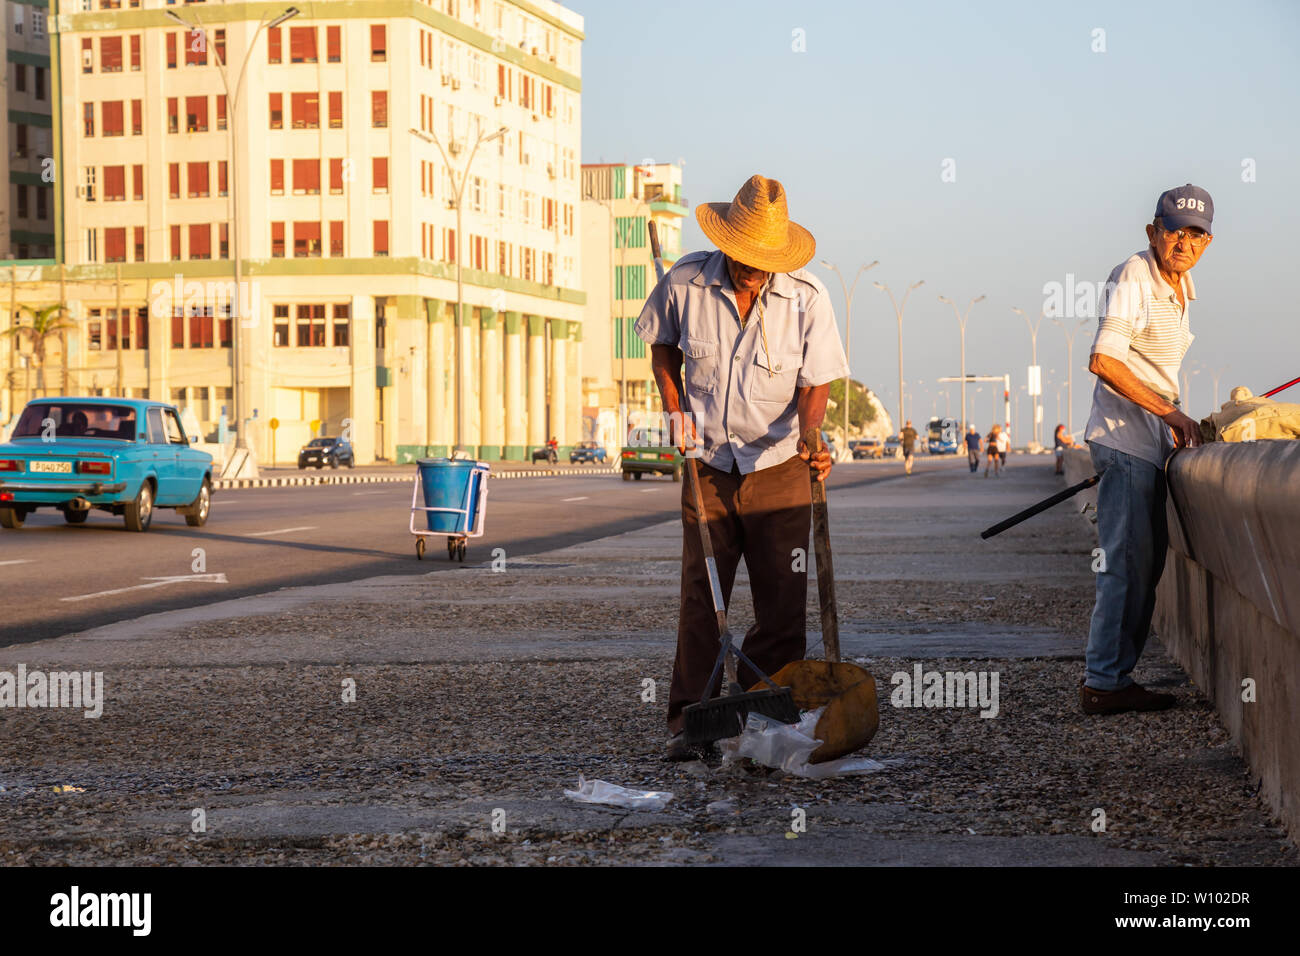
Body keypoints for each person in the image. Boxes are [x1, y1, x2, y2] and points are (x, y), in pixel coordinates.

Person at [634, 174, 845, 760]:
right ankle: (688, 719)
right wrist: (674, 410)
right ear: (727, 244)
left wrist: (809, 432)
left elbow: (816, 382)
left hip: (779, 465)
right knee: (703, 595)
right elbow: (661, 348)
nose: (755, 269)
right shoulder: (684, 282)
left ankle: (762, 709)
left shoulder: (808, 298)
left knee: (783, 598)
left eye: (764, 261)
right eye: (746, 258)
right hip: (706, 461)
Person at [1080, 184, 1210, 716]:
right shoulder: (1136, 274)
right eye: (1175, 229)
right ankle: (1103, 683)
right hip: (1125, 442)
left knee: (1145, 563)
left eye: (1196, 233)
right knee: (1126, 566)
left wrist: (1176, 416)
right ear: (1153, 231)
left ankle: (1113, 677)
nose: (1184, 241)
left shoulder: (1183, 289)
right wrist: (1171, 413)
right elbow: (1104, 361)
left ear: (1208, 242)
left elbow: (1155, 369)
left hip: (1148, 447)